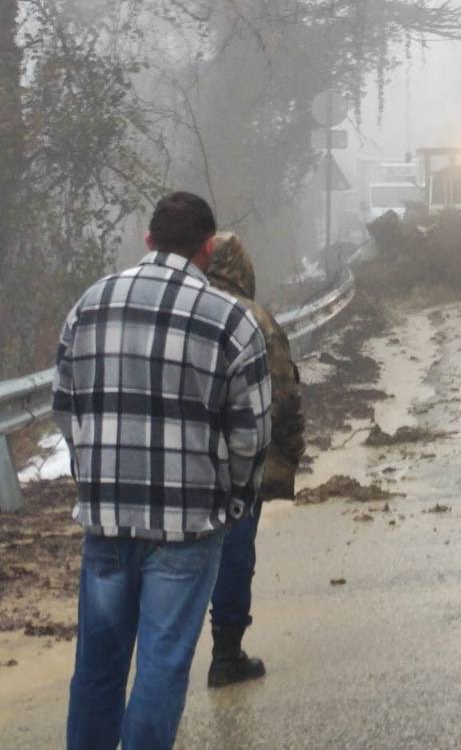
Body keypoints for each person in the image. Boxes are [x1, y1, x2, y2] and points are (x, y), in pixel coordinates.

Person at [53, 192, 272, 750]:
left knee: (98, 669)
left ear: (147, 241)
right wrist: (235, 501)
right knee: (161, 668)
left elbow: (65, 406)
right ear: (207, 248)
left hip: (106, 523)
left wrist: (94, 475)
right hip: (187, 526)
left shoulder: (90, 304)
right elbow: (251, 433)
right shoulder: (232, 322)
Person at [203, 232, 306, 688]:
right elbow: (282, 391)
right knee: (234, 552)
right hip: (244, 458)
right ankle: (226, 653)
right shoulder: (255, 319)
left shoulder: (187, 308)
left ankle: (167, 653)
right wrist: (290, 448)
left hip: (186, 460)